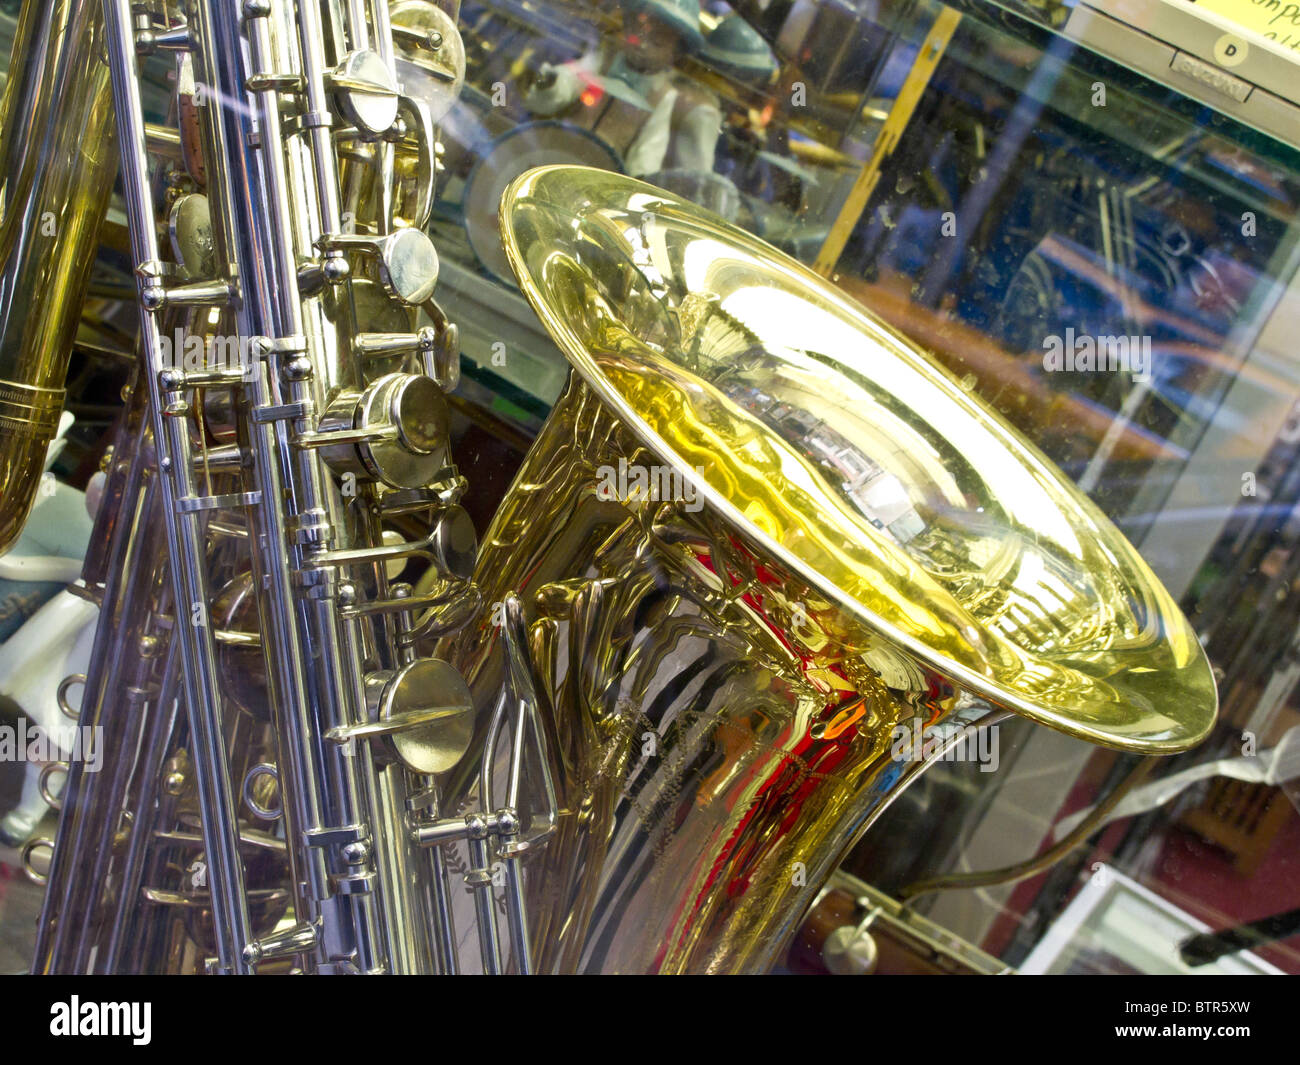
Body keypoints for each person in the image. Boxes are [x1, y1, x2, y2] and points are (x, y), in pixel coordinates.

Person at [523, 0, 722, 177]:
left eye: (657, 43)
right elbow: (571, 79)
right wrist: (552, 84)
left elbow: (650, 146)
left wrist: (639, 176)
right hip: (556, 149)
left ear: (675, 54)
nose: (643, 45)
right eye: (638, 34)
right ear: (627, 26)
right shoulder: (603, 60)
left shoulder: (663, 97)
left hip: (600, 174)